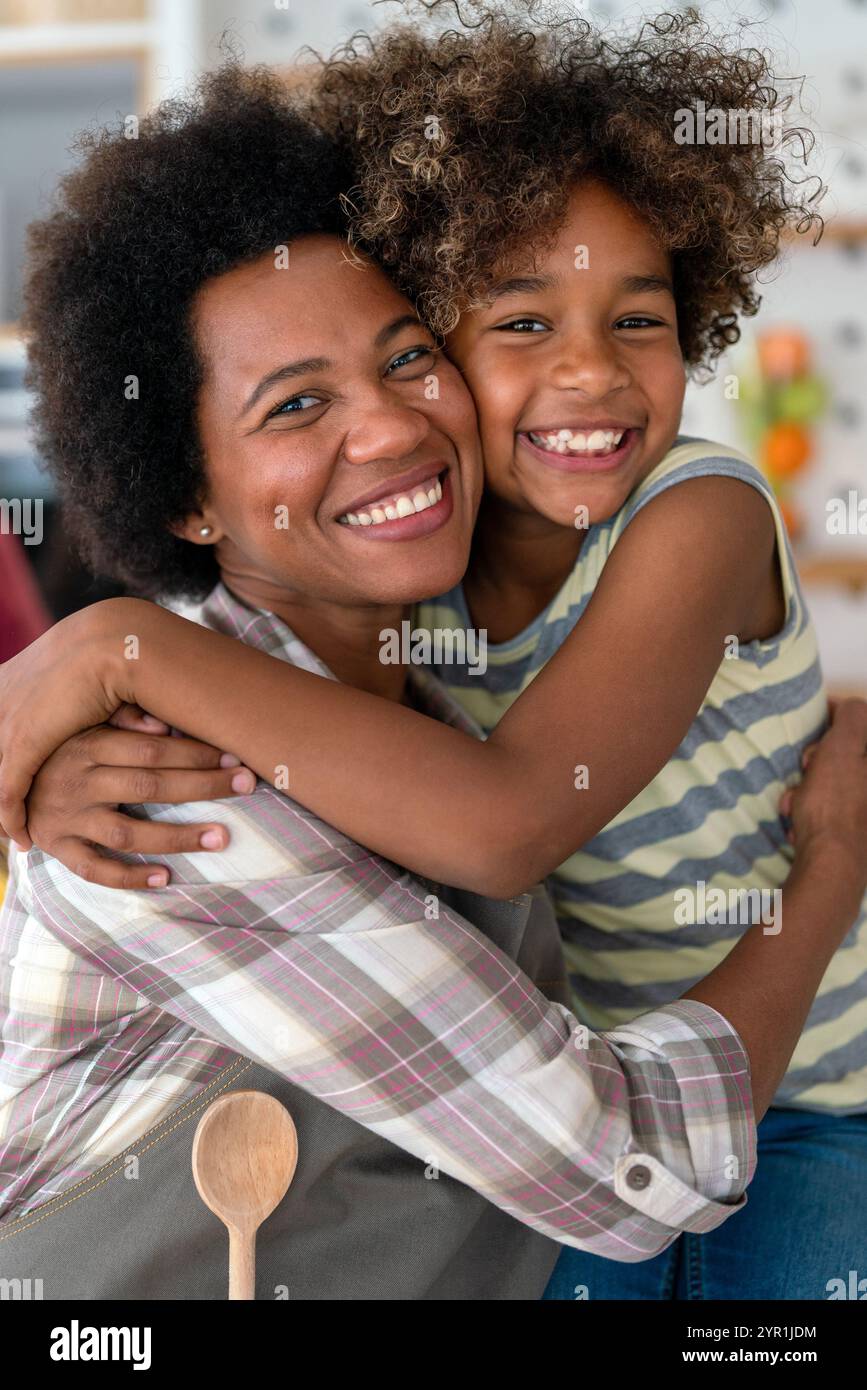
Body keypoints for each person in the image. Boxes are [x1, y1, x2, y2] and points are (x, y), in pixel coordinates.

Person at [2, 62, 866, 1301]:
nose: (396, 429)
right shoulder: (177, 798)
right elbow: (624, 1161)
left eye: (407, 360)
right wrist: (836, 858)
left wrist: (112, 646)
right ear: (190, 499)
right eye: (296, 404)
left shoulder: (424, 664)